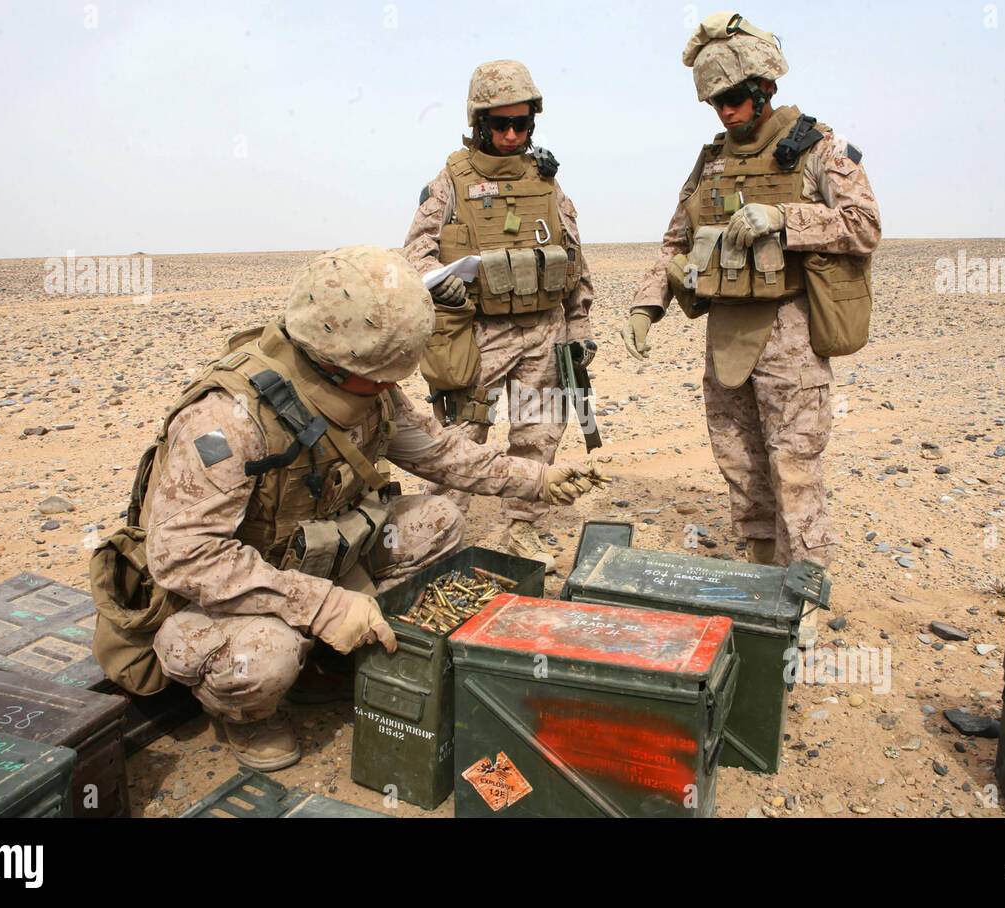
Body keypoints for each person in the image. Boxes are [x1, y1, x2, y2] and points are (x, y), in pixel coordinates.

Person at [91, 246, 602, 771]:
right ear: (332, 362)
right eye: (381, 373)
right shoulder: (226, 420)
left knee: (440, 521)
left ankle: (332, 662)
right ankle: (247, 715)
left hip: (312, 552)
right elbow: (184, 559)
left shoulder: (369, 387)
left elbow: (442, 453)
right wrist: (325, 607)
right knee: (261, 659)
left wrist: (536, 477)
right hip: (226, 591)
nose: (391, 385)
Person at [622, 12, 880, 569]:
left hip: (791, 334)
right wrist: (648, 305)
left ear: (765, 87)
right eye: (716, 101)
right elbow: (676, 243)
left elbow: (864, 225)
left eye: (736, 97)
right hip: (727, 335)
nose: (726, 110)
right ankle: (764, 569)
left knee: (794, 469)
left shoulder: (819, 149)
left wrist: (784, 218)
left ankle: (805, 589)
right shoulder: (712, 162)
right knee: (739, 461)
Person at [402, 60, 595, 574]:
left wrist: (580, 325)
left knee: (538, 433)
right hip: (480, 334)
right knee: (459, 440)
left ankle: (521, 529)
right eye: (501, 125)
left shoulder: (547, 182)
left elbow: (574, 258)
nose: (512, 135)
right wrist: (441, 279)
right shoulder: (449, 183)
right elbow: (414, 253)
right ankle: (435, 537)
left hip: (544, 331)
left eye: (522, 125)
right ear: (479, 123)